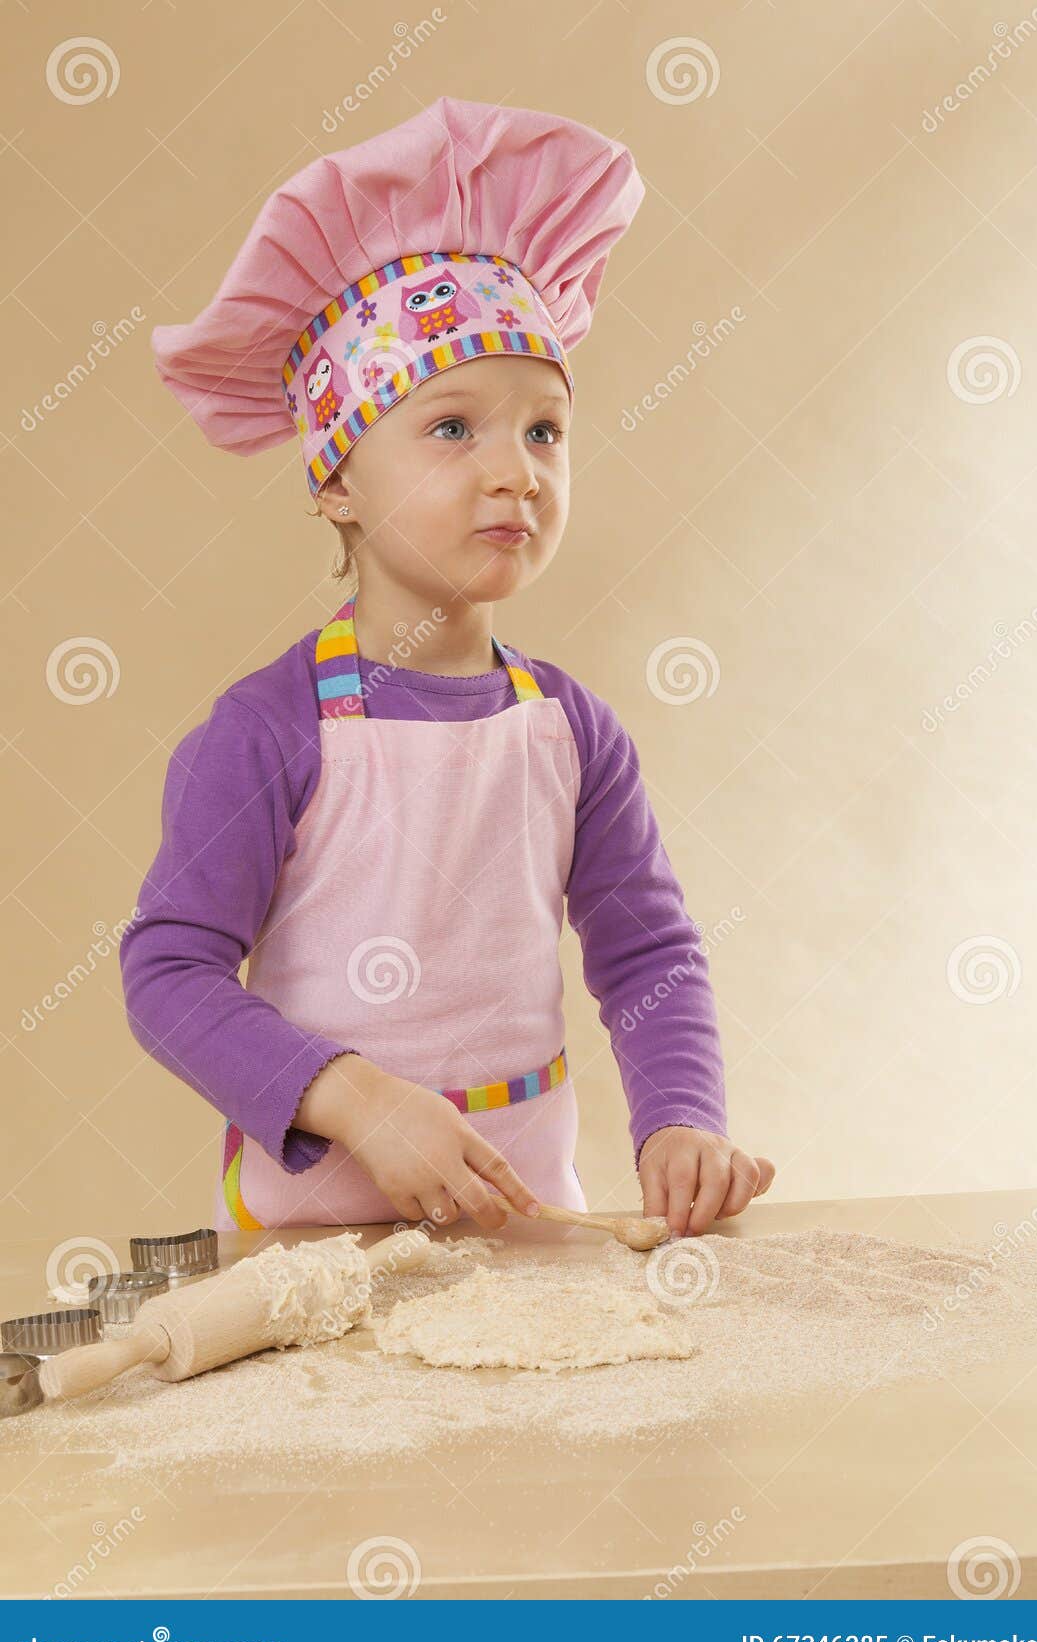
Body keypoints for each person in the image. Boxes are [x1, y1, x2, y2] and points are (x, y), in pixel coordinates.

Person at [122, 95, 774, 1239]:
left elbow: (647, 949)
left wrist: (678, 1115)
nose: (516, 471)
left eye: (544, 431)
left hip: (532, 1241)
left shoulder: (572, 730)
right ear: (336, 480)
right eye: (451, 428)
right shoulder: (269, 730)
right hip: (317, 1257)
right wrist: (361, 1101)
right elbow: (167, 978)